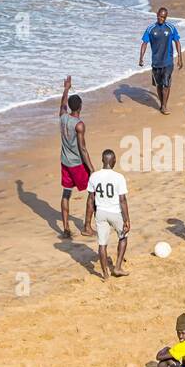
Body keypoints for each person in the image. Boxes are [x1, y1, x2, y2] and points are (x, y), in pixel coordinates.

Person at [58, 75, 94, 239]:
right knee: (92, 191)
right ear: (80, 107)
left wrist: (66, 88)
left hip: (64, 162)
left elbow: (62, 104)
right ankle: (87, 227)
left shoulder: (63, 117)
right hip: (77, 164)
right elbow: (83, 149)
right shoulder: (79, 125)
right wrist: (92, 169)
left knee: (66, 194)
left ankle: (66, 227)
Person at [85, 149, 129, 279]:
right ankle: (117, 267)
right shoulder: (119, 177)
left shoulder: (94, 176)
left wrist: (87, 221)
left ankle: (105, 274)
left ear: (102, 160)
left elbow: (90, 200)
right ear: (114, 161)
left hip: (100, 213)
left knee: (102, 244)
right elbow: (122, 200)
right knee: (123, 237)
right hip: (115, 212)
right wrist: (127, 219)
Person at [138, 6, 183, 115]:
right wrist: (141, 58)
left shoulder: (171, 28)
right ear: (156, 15)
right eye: (159, 16)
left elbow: (177, 42)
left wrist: (180, 58)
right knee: (159, 85)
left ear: (166, 17)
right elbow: (144, 43)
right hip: (156, 62)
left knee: (166, 84)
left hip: (168, 61)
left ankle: (164, 106)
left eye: (163, 17)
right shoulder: (150, 29)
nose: (160, 18)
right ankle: (162, 102)